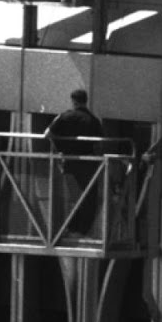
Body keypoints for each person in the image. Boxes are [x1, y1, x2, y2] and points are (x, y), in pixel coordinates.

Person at [45, 88, 105, 236]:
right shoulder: (93, 120)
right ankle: (83, 230)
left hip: (69, 162)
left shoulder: (65, 116)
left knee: (71, 196)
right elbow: (99, 144)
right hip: (88, 164)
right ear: (86, 101)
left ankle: (68, 228)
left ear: (73, 101)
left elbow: (47, 134)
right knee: (88, 198)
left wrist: (59, 147)